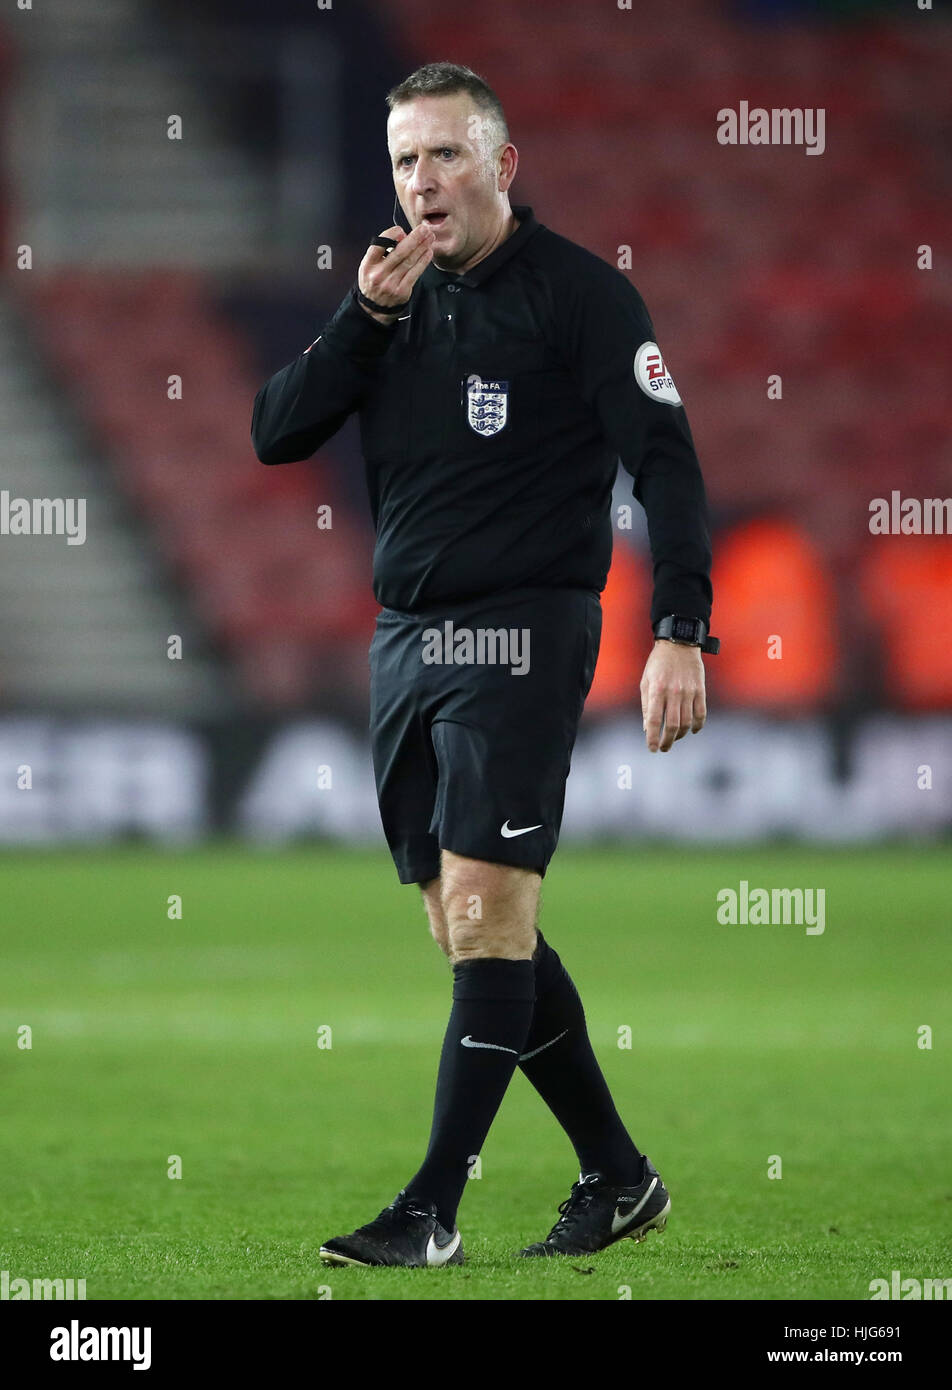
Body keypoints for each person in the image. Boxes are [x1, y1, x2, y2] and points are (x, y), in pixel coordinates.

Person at [251, 61, 718, 1268]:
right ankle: (618, 1176)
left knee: (489, 907)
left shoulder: (581, 298)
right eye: (406, 159)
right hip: (407, 640)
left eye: (446, 154)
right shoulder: (389, 302)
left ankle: (430, 1211)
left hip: (524, 629)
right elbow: (274, 432)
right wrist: (362, 320)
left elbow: (664, 461)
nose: (422, 181)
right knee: (465, 930)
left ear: (501, 166)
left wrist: (679, 628)